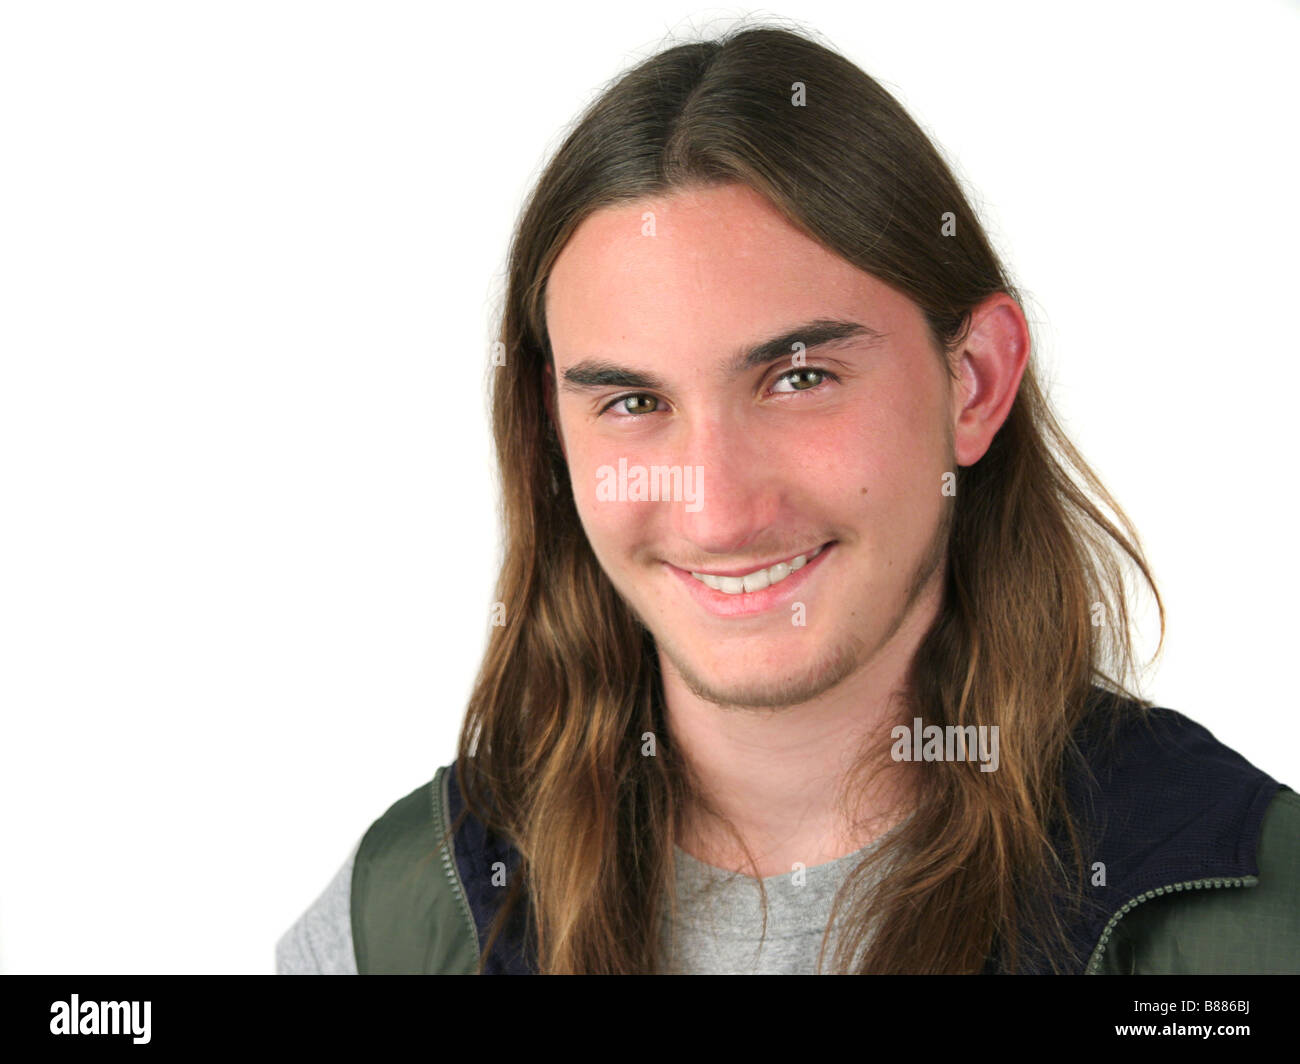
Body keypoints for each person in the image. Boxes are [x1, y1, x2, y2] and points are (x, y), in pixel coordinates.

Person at [276, 22, 1299, 975]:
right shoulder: (409, 917)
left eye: (799, 377)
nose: (717, 509)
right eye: (633, 400)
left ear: (975, 382)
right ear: (552, 435)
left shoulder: (1236, 921)